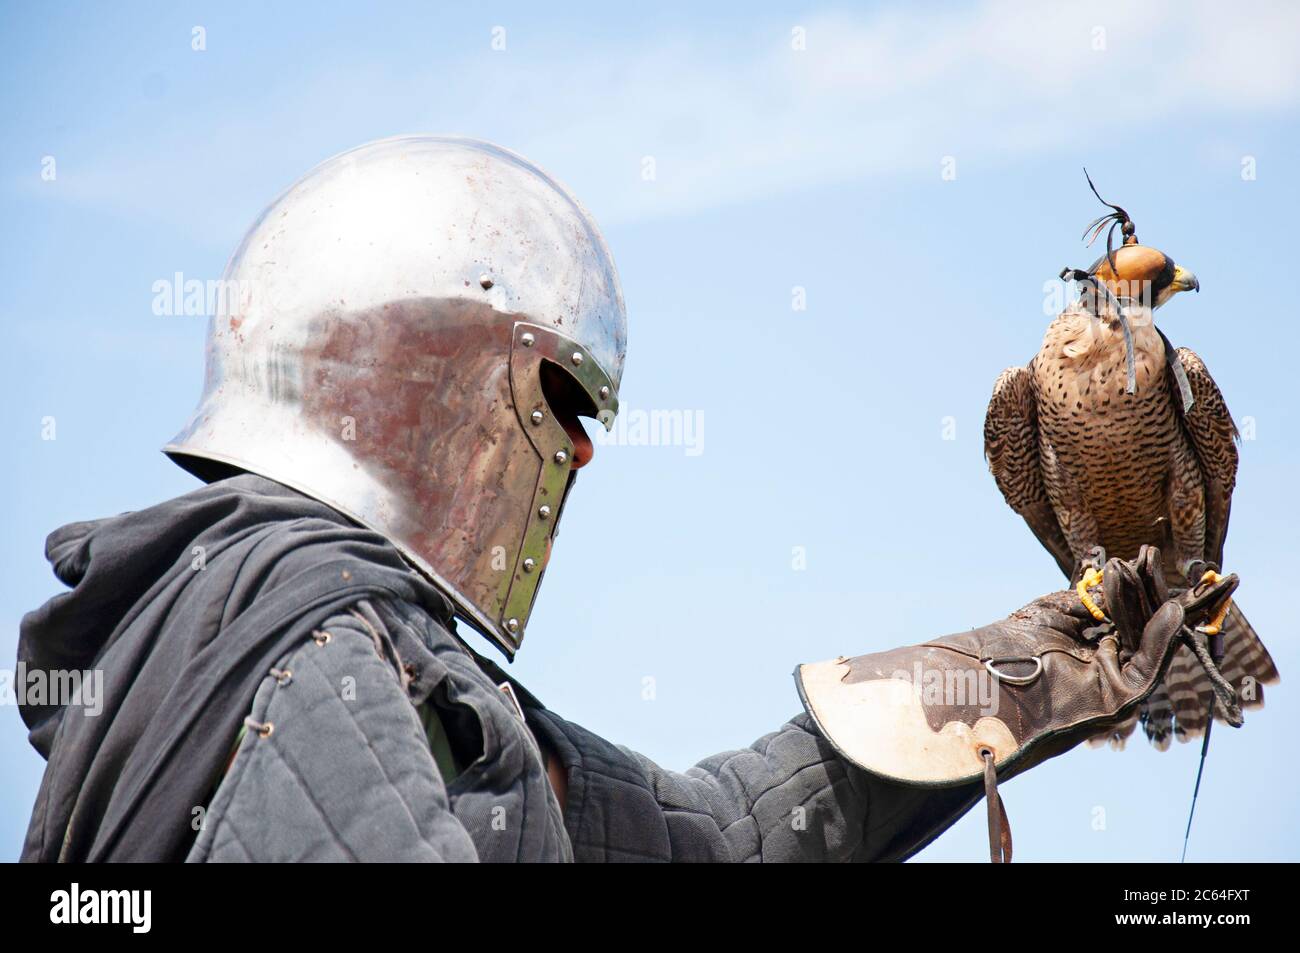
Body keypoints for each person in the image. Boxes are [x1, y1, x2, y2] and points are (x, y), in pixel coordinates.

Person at [16, 137, 1237, 863]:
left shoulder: (370, 660)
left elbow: (701, 841)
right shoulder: (306, 643)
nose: (582, 456)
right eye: (561, 396)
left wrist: (1020, 673)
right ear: (424, 377)